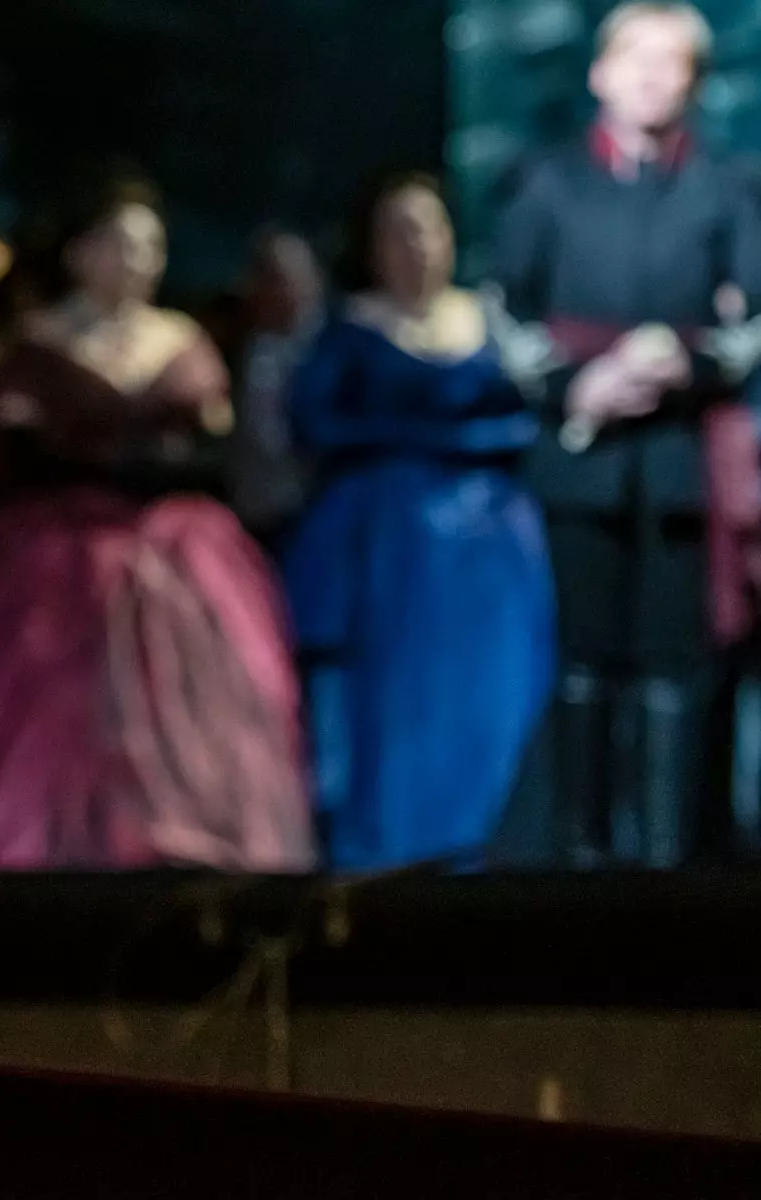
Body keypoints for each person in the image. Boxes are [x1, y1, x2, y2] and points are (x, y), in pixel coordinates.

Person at [0, 179, 314, 871]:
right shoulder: (31, 342)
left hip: (170, 541)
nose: (135, 260)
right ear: (79, 253)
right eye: (117, 243)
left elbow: (218, 445)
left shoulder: (184, 341)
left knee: (191, 700)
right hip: (56, 544)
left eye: (148, 246)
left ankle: (180, 835)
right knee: (56, 696)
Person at [492, 1, 761, 867]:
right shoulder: (546, 181)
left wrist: (681, 364)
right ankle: (578, 853)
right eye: (636, 58)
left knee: (673, 666)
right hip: (580, 460)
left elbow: (752, 315)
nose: (652, 76)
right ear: (600, 73)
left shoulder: (726, 186)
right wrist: (583, 383)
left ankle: (668, 860)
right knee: (584, 660)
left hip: (681, 466)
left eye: (671, 61)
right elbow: (505, 309)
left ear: (695, 80)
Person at [283, 176, 555, 872]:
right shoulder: (349, 330)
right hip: (386, 548)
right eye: (398, 230)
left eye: (429, 228)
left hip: (489, 555)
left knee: (489, 705)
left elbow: (537, 412)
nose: (418, 246)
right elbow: (311, 423)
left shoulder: (491, 322)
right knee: (394, 715)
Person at [228, 228, 324, 544]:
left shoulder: (338, 348)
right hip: (262, 520)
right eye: (271, 277)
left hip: (322, 512)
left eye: (295, 276)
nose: (286, 288)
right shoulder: (241, 348)